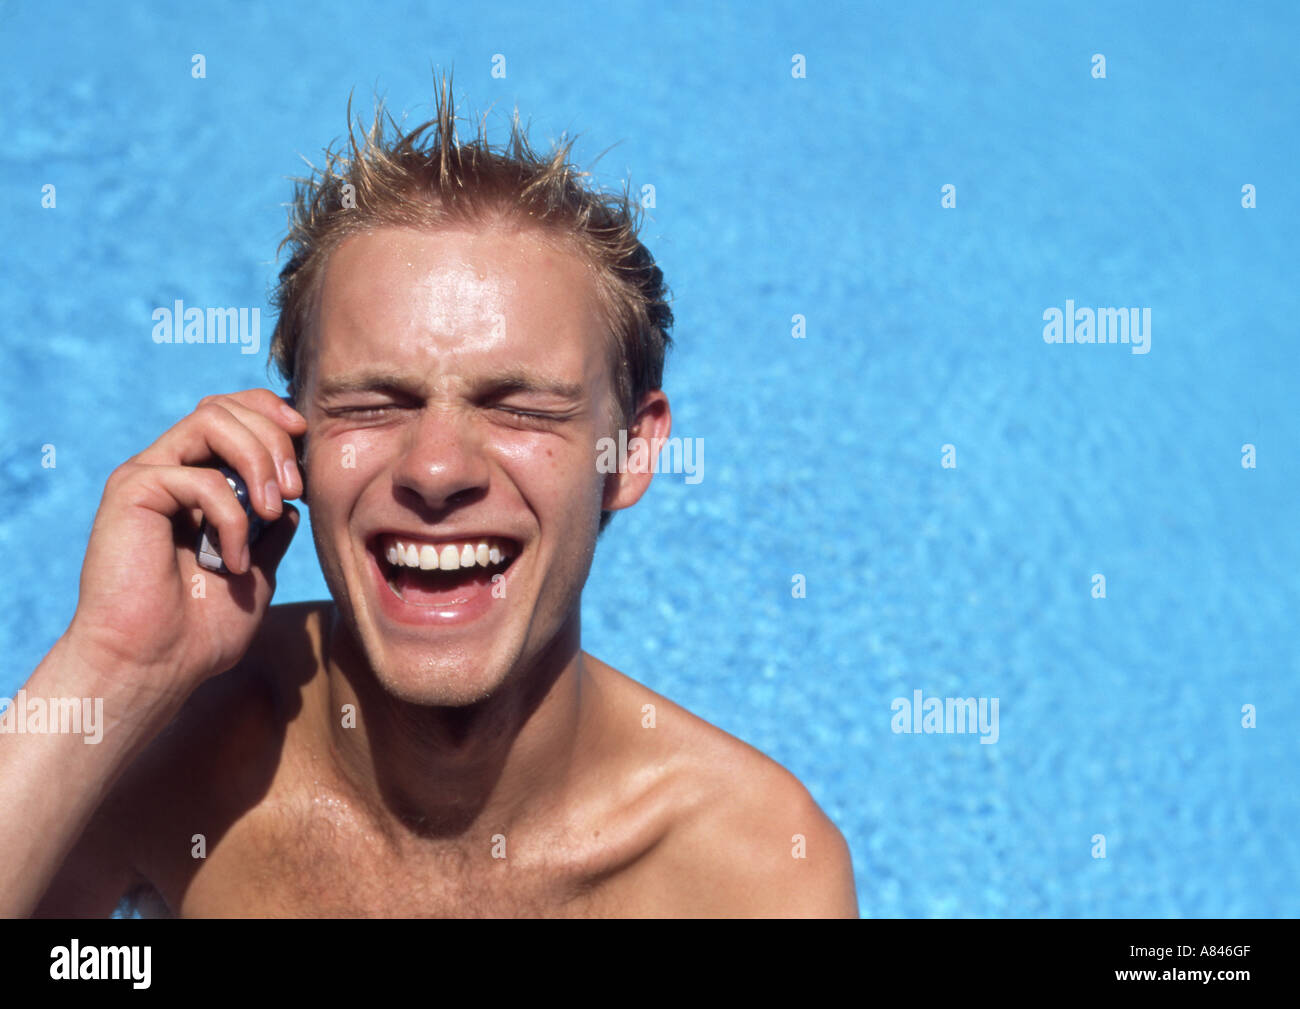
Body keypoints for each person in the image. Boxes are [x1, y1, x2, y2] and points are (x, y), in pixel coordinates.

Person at [2, 79, 858, 917]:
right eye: (372, 404)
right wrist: (114, 667)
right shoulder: (156, 747)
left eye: (520, 406)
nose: (438, 469)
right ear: (291, 438)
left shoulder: (749, 872)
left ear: (629, 452)